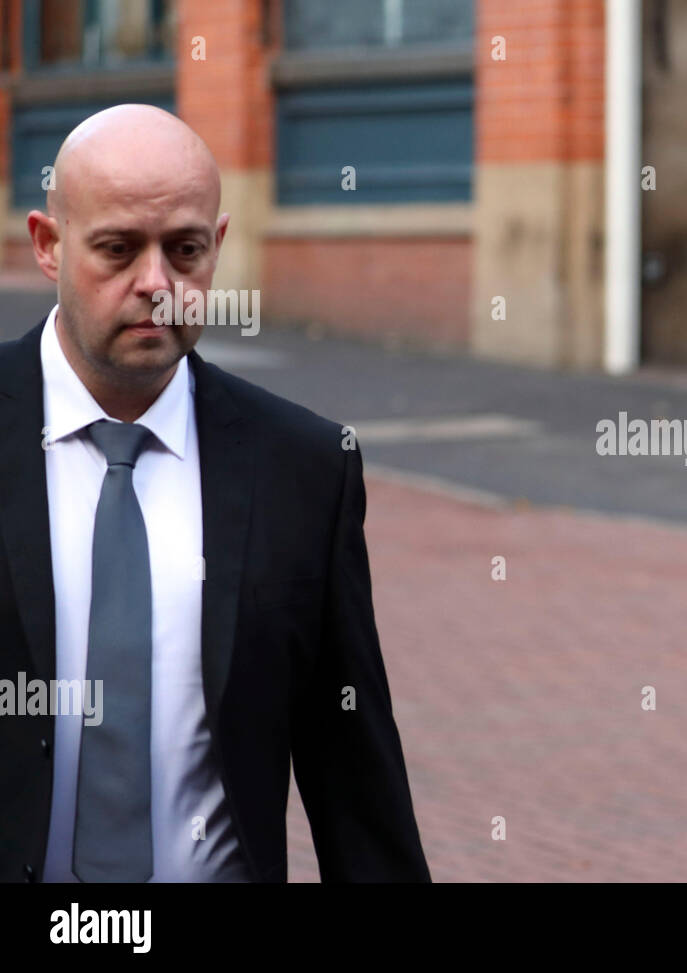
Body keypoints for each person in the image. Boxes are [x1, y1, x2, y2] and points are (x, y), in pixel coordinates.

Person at [0, 104, 429, 882]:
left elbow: (353, 775)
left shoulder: (303, 467)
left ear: (218, 247)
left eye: (185, 250)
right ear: (47, 245)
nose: (157, 284)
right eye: (119, 249)